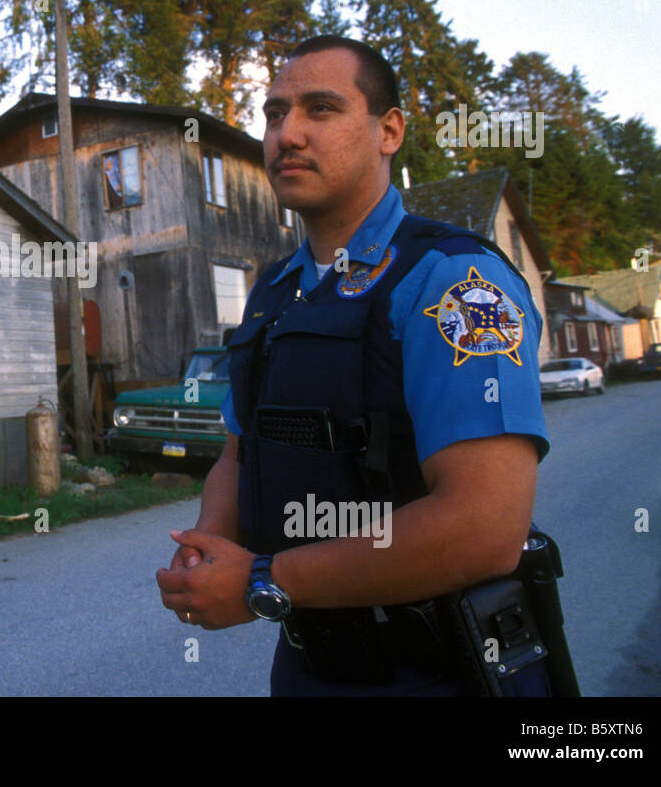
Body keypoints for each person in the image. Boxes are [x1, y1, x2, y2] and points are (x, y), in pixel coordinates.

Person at [155, 35, 552, 695]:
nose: (288, 133)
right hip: (310, 662)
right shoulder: (274, 293)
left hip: (438, 670)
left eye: (321, 109)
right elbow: (238, 453)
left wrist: (261, 580)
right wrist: (206, 549)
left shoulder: (453, 280)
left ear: (388, 130)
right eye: (275, 113)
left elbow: (486, 527)